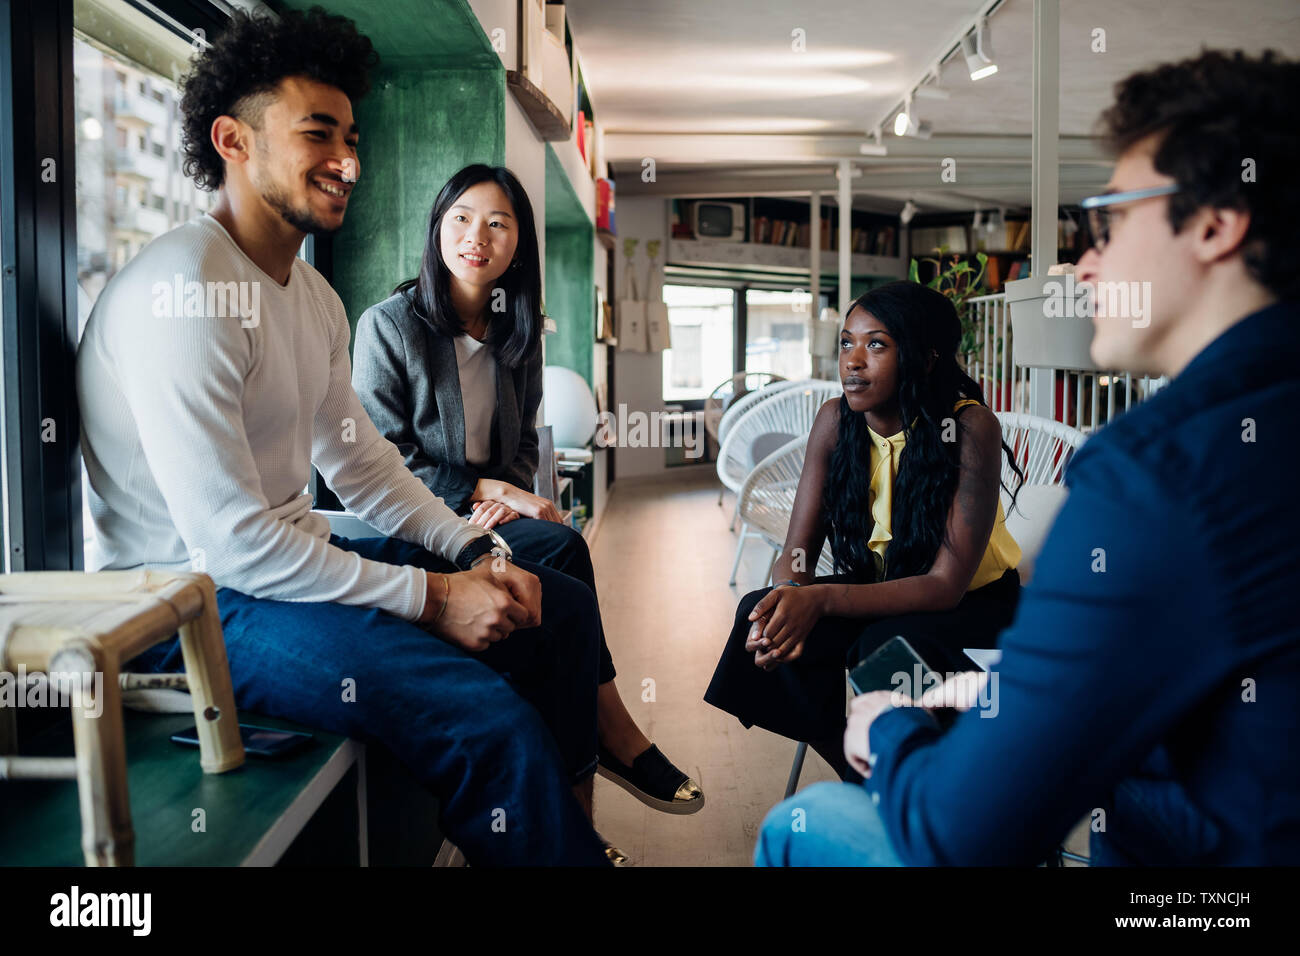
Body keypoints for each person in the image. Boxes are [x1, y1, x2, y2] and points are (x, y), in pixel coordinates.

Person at [76, 6, 610, 866]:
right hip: (191, 614)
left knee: (558, 608)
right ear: (232, 140)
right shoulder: (187, 288)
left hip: (281, 573)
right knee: (485, 716)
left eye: (352, 136)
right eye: (318, 134)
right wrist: (438, 600)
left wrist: (469, 549)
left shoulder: (311, 297)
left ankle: (573, 836)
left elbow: (361, 464)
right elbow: (232, 548)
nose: (349, 161)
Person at [757, 48, 1300, 866]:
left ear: (1217, 225)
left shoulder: (1153, 477)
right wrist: (1022, 699)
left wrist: (895, 726)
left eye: (1112, 222)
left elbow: (960, 833)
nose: (1084, 263)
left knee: (802, 825)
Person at [351, 165, 703, 828]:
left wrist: (503, 496)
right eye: (460, 217)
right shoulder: (389, 327)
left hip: (486, 522)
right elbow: (383, 460)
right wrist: (483, 491)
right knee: (564, 555)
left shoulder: (518, 331)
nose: (476, 236)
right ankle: (605, 754)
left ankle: (577, 803)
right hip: (416, 527)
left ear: (518, 245)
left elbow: (521, 441)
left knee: (557, 588)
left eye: (497, 223)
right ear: (436, 228)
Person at [704, 280, 1025, 781]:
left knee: (881, 643)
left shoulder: (968, 428)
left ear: (924, 356)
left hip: (975, 607)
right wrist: (788, 595)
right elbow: (796, 557)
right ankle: (873, 780)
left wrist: (824, 600)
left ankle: (921, 785)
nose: (853, 361)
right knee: (761, 614)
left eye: (876, 344)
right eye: (846, 343)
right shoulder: (834, 420)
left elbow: (944, 587)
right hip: (879, 592)